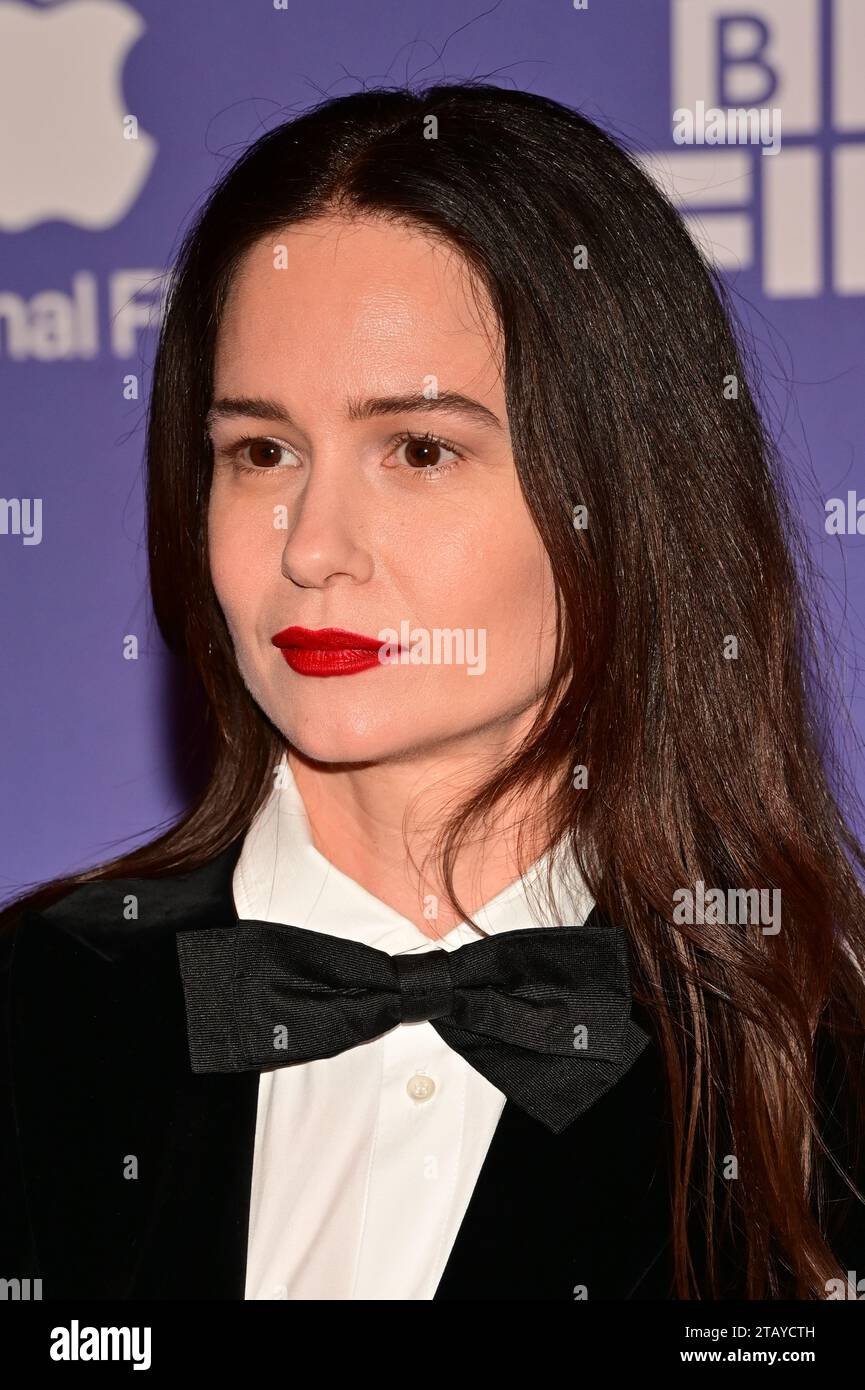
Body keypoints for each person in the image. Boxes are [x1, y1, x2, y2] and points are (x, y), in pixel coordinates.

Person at [2, 82, 865, 1302]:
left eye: (417, 449)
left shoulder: (821, 1081)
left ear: (622, 497)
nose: (312, 547)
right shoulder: (31, 1006)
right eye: (262, 451)